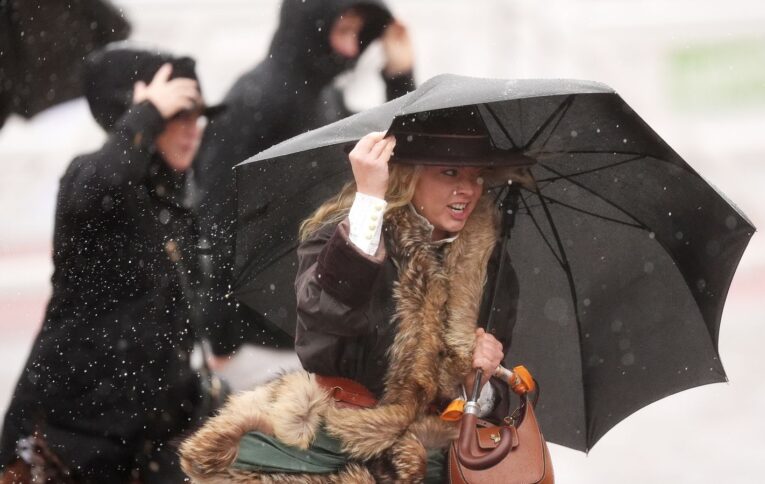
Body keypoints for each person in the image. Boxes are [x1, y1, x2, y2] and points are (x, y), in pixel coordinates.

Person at [179, 115, 533, 482]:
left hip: (432, 459)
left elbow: (505, 400)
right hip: (331, 449)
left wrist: (483, 383)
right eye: (450, 173)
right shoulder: (345, 237)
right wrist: (369, 201)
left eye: (476, 176)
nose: (468, 189)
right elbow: (321, 332)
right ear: (407, 174)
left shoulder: (491, 268)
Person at [0, 45, 220, 483]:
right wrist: (146, 113)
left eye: (196, 116)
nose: (192, 130)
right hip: (71, 438)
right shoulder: (89, 178)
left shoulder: (174, 200)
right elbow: (99, 186)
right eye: (177, 116)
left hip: (147, 437)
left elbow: (168, 324)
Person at [194, 0, 416, 357]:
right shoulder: (258, 98)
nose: (350, 47)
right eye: (342, 31)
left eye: (357, 35)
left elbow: (385, 150)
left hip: (306, 327)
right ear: (309, 26)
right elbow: (214, 216)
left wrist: (399, 75)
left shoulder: (323, 96)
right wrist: (221, 337)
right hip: (253, 341)